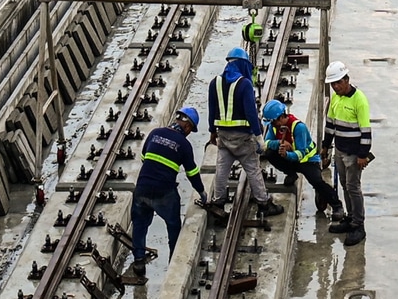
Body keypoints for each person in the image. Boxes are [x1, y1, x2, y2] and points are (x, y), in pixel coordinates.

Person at [207, 47, 283, 221]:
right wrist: (259, 138)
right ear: (243, 64)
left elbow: (212, 110)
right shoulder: (244, 84)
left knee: (222, 170)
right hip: (243, 138)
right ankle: (264, 203)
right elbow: (251, 113)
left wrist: (212, 131)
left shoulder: (215, 83)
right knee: (253, 169)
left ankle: (218, 203)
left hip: (224, 137)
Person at [128, 107, 206, 277]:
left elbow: (144, 157)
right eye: (190, 130)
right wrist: (201, 192)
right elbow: (192, 172)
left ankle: (139, 262)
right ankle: (173, 261)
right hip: (164, 191)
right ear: (187, 127)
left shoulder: (155, 133)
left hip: (142, 187)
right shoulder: (184, 144)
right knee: (173, 225)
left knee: (139, 224)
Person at [261, 99, 342, 219]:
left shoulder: (298, 128)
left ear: (281, 117)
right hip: (291, 159)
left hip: (307, 161)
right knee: (269, 153)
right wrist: (278, 143)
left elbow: (301, 153)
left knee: (317, 182)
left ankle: (337, 206)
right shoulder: (274, 127)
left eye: (273, 122)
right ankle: (291, 173)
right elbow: (267, 143)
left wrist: (287, 155)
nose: (273, 126)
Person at [323, 61, 372, 246]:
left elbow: (365, 131)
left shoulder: (359, 100)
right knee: (344, 185)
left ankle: (358, 225)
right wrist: (325, 146)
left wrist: (362, 155)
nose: (335, 87)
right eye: (332, 84)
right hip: (340, 150)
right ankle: (350, 218)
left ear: (347, 79)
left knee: (353, 187)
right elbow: (330, 125)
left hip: (353, 154)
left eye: (338, 83)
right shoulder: (335, 98)